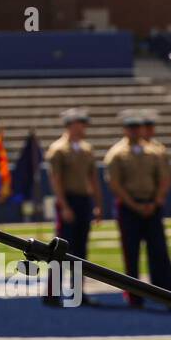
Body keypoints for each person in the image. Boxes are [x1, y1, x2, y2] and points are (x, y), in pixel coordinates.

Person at [104, 110, 171, 306]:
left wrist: (156, 201)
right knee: (131, 253)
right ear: (125, 130)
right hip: (129, 207)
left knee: (159, 251)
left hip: (151, 205)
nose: (136, 131)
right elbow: (115, 184)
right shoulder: (117, 153)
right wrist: (134, 205)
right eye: (131, 128)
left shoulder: (153, 151)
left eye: (138, 128)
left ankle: (166, 293)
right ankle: (134, 295)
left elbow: (163, 178)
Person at [43, 107, 100, 305]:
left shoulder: (86, 149)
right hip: (68, 200)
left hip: (83, 200)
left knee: (81, 250)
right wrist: (64, 205)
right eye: (80, 123)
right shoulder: (58, 149)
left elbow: (93, 178)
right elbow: (56, 180)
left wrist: (97, 204)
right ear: (71, 125)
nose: (84, 127)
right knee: (60, 249)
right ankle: (52, 293)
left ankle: (78, 292)